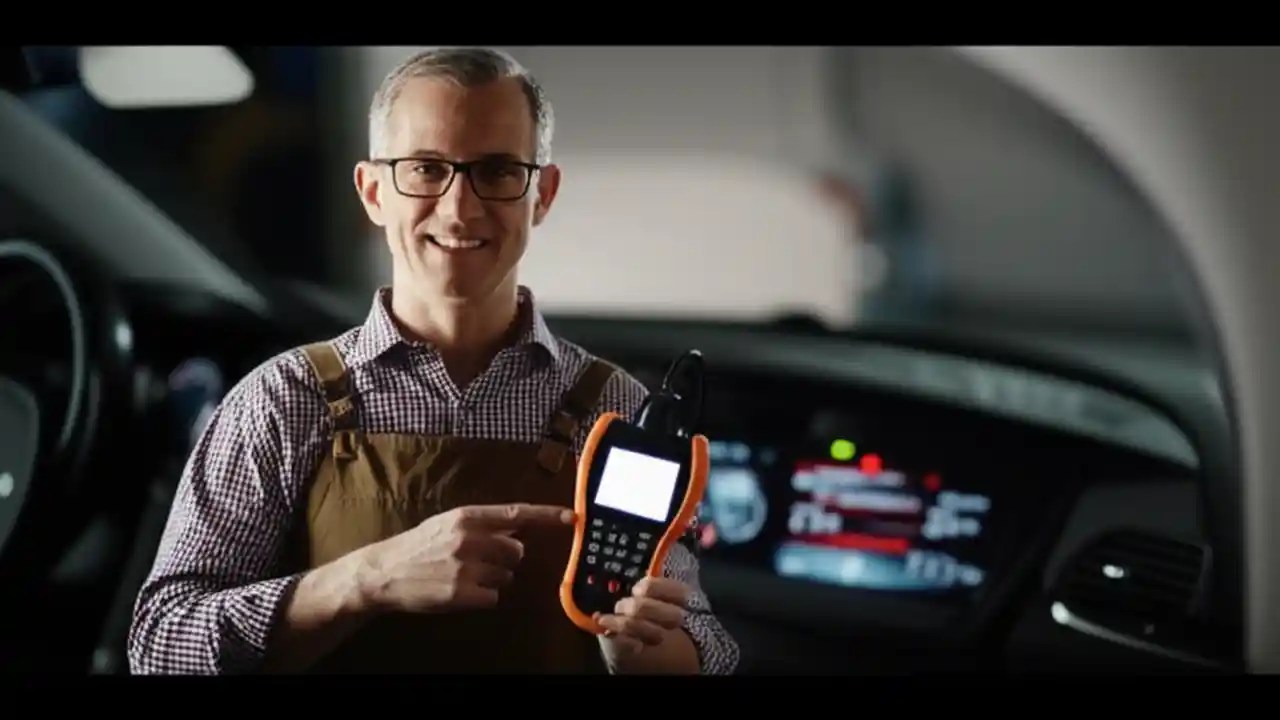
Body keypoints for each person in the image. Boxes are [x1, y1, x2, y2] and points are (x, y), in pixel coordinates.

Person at [126, 47, 740, 675]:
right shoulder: (281, 400)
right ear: (372, 192)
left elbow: (709, 652)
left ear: (543, 194)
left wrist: (644, 651)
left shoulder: (618, 411)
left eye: (498, 171)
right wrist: (370, 576)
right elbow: (161, 644)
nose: (459, 208)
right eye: (425, 168)